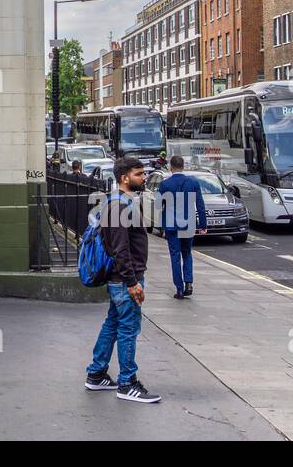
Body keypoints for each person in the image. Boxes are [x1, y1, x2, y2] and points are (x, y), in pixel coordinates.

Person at [85, 155, 160, 403]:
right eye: (139, 174)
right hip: (124, 280)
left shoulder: (120, 202)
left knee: (113, 324)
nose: (144, 177)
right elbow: (120, 249)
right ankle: (127, 383)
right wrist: (132, 282)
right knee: (128, 329)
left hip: (122, 279)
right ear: (124, 178)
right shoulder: (118, 206)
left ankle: (96, 374)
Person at [159, 155, 207, 299]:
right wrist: (203, 225)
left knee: (175, 256)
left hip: (172, 225)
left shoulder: (165, 184)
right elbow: (200, 205)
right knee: (187, 253)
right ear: (183, 166)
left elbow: (158, 204)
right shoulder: (193, 182)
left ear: (170, 167)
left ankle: (179, 289)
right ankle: (189, 283)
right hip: (188, 224)